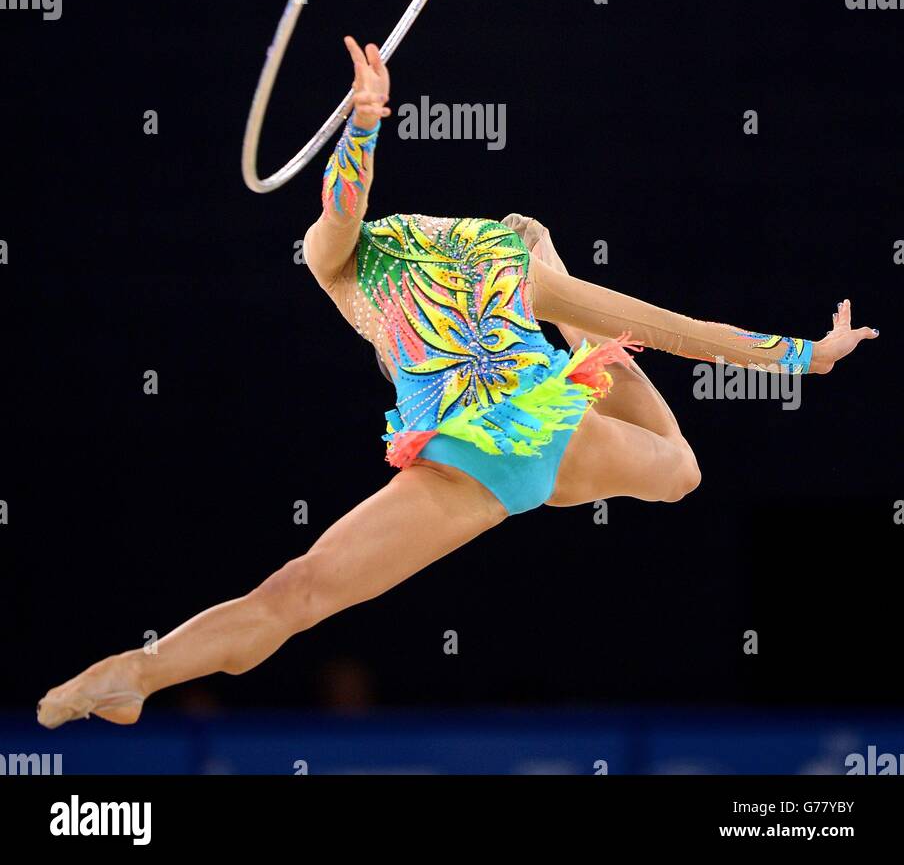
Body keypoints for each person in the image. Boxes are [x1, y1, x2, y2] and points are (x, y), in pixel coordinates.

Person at [36, 37, 876, 728]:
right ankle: (134, 676)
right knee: (681, 468)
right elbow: (672, 328)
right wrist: (807, 357)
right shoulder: (380, 257)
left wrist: (364, 124)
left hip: (484, 455)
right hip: (537, 431)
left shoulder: (370, 265)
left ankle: (140, 672)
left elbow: (342, 211)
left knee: (292, 593)